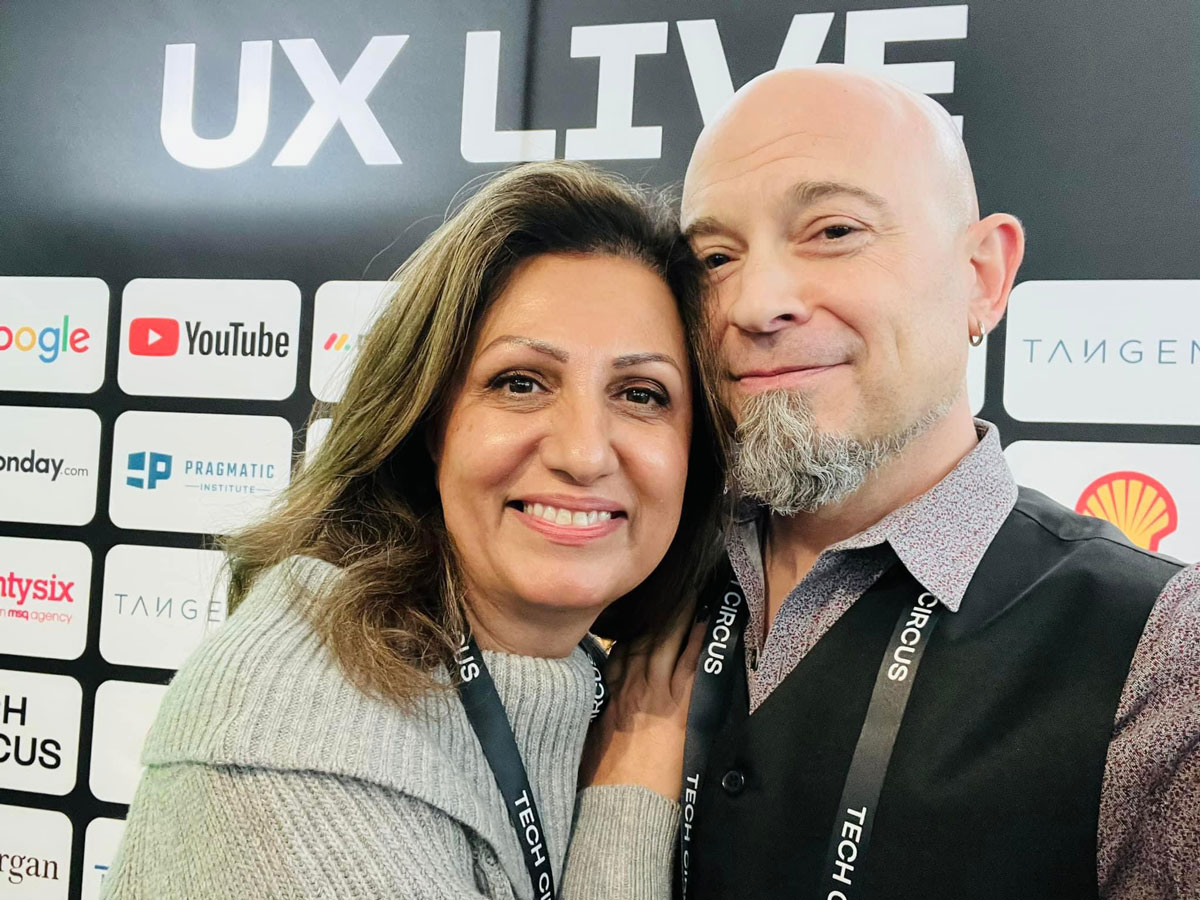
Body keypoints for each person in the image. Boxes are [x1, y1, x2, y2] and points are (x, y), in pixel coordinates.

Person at [562, 66, 1200, 900]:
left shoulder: (1163, 654)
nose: (758, 302)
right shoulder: (614, 562)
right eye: (715, 256)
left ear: (983, 275)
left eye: (833, 231)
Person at [101, 160, 727, 899]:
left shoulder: (579, 677)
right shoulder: (292, 724)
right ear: (431, 421)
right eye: (520, 383)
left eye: (641, 393)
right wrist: (632, 780)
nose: (584, 453)